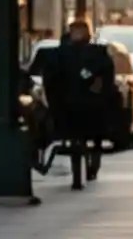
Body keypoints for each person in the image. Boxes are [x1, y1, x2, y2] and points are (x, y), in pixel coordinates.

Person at [41, 19, 115, 190]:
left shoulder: (97, 54)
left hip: (89, 105)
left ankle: (91, 165)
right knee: (77, 139)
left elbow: (106, 78)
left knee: (89, 137)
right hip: (71, 105)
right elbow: (51, 78)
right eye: (75, 31)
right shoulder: (61, 54)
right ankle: (83, 170)